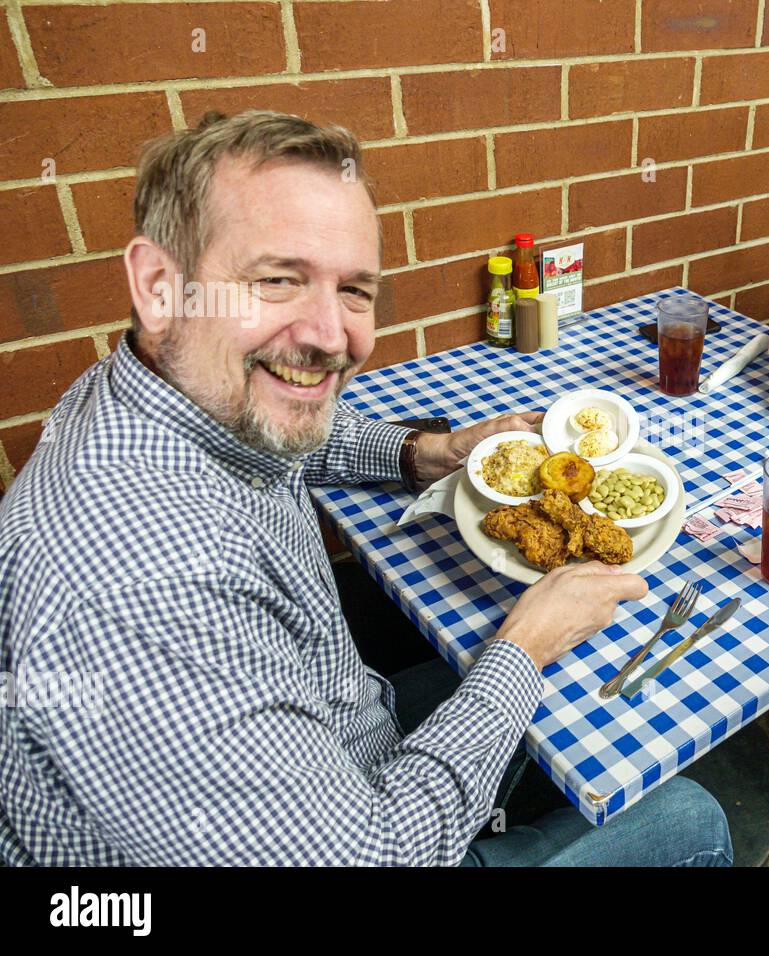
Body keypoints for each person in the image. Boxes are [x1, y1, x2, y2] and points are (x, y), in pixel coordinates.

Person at [0, 110, 732, 866]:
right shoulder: (142, 585)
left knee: (581, 722)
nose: (329, 334)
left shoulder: (162, 385)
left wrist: (428, 452)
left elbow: (282, 429)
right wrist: (523, 646)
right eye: (276, 279)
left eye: (354, 289)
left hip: (339, 735)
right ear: (158, 286)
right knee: (690, 819)